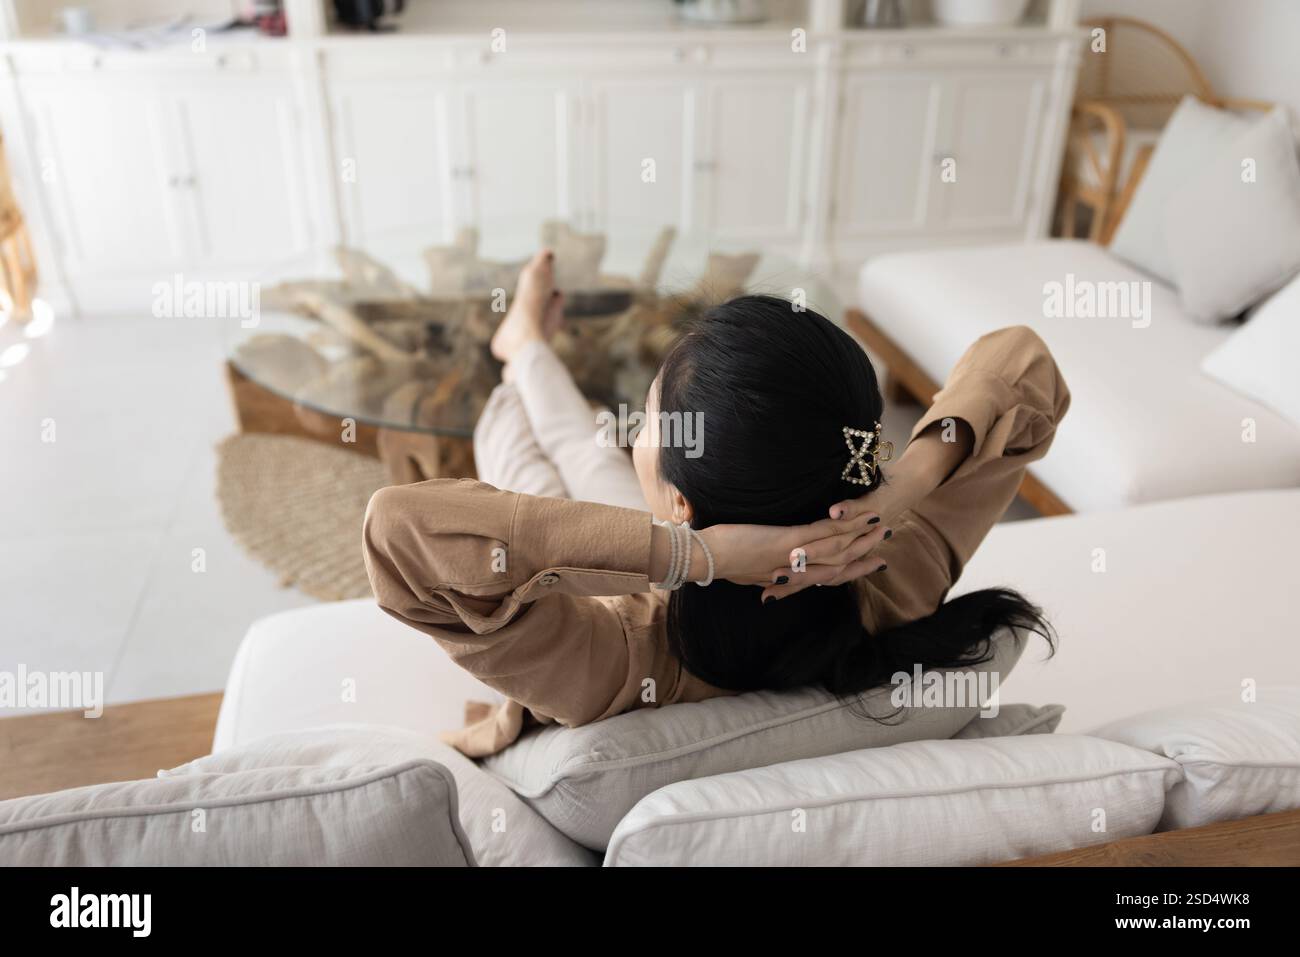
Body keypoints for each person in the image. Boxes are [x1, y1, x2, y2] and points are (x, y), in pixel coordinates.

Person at [363, 249, 1069, 756]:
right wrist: (902, 486)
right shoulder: (899, 566)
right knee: (586, 452)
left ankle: (517, 354)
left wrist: (704, 556)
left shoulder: (620, 657)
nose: (643, 426)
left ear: (679, 504)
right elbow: (1022, 357)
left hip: (633, 569)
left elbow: (400, 531)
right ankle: (522, 346)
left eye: (650, 418)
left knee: (539, 463)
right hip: (693, 545)